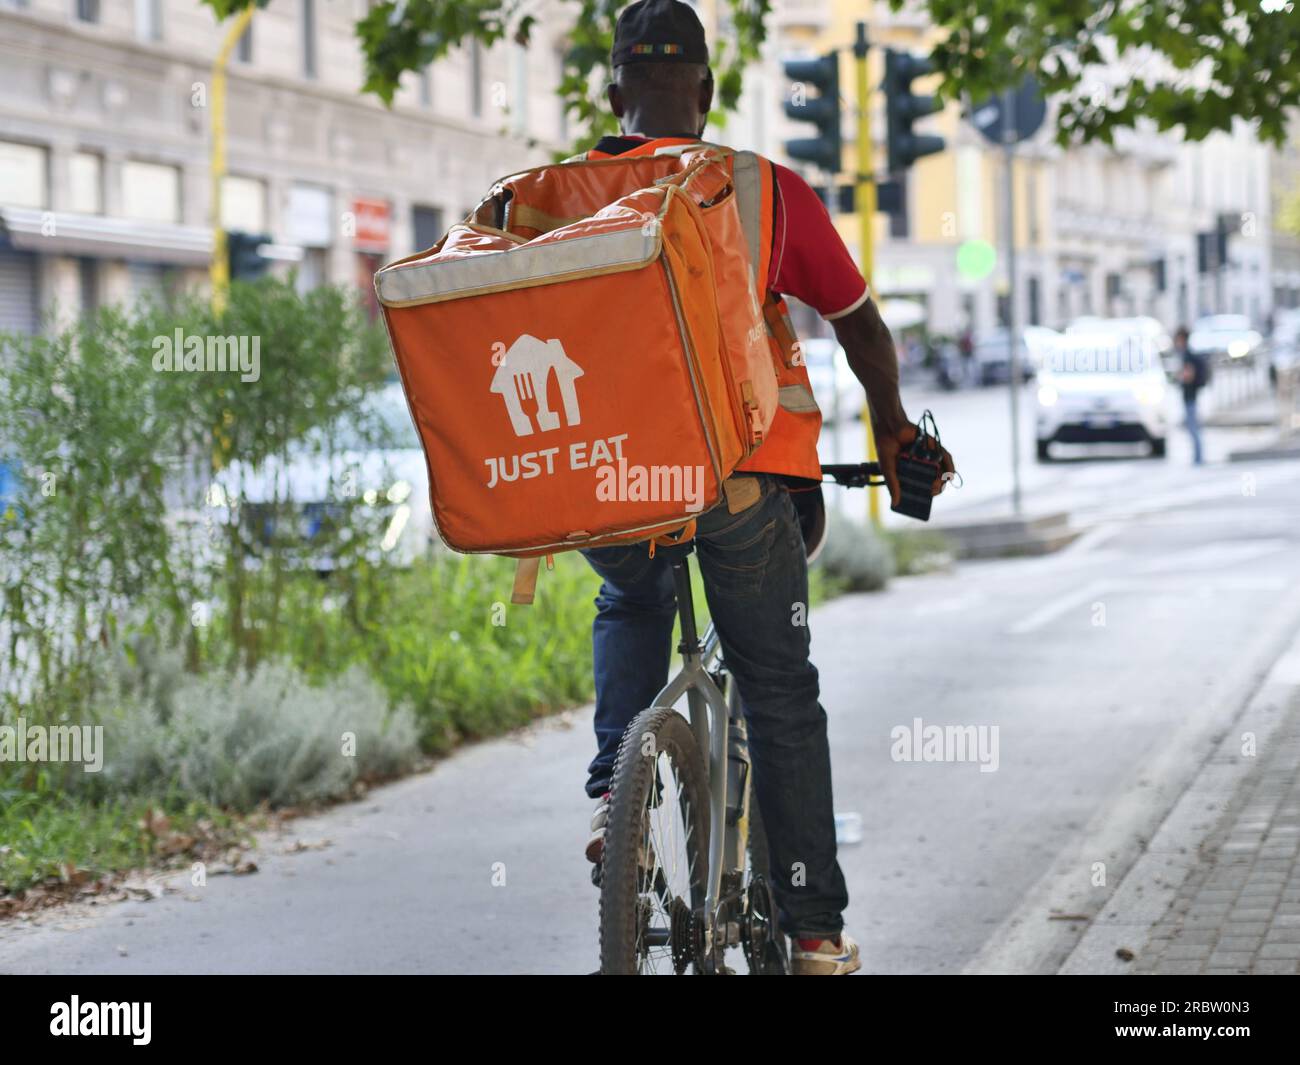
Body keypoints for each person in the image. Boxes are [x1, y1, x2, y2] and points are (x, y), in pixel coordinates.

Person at [578, 0, 954, 975]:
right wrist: (894, 429)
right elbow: (861, 328)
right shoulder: (760, 192)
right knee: (781, 693)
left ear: (613, 91)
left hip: (616, 487)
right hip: (746, 484)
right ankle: (817, 933)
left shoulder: (564, 191)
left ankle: (617, 794)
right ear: (703, 92)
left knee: (628, 591)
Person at [1175, 326, 1208, 465]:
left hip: (1190, 396)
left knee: (1193, 428)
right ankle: (1198, 457)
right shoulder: (1187, 354)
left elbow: (1188, 375)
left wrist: (1179, 377)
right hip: (1190, 395)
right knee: (1193, 427)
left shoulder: (1187, 355)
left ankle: (1198, 458)